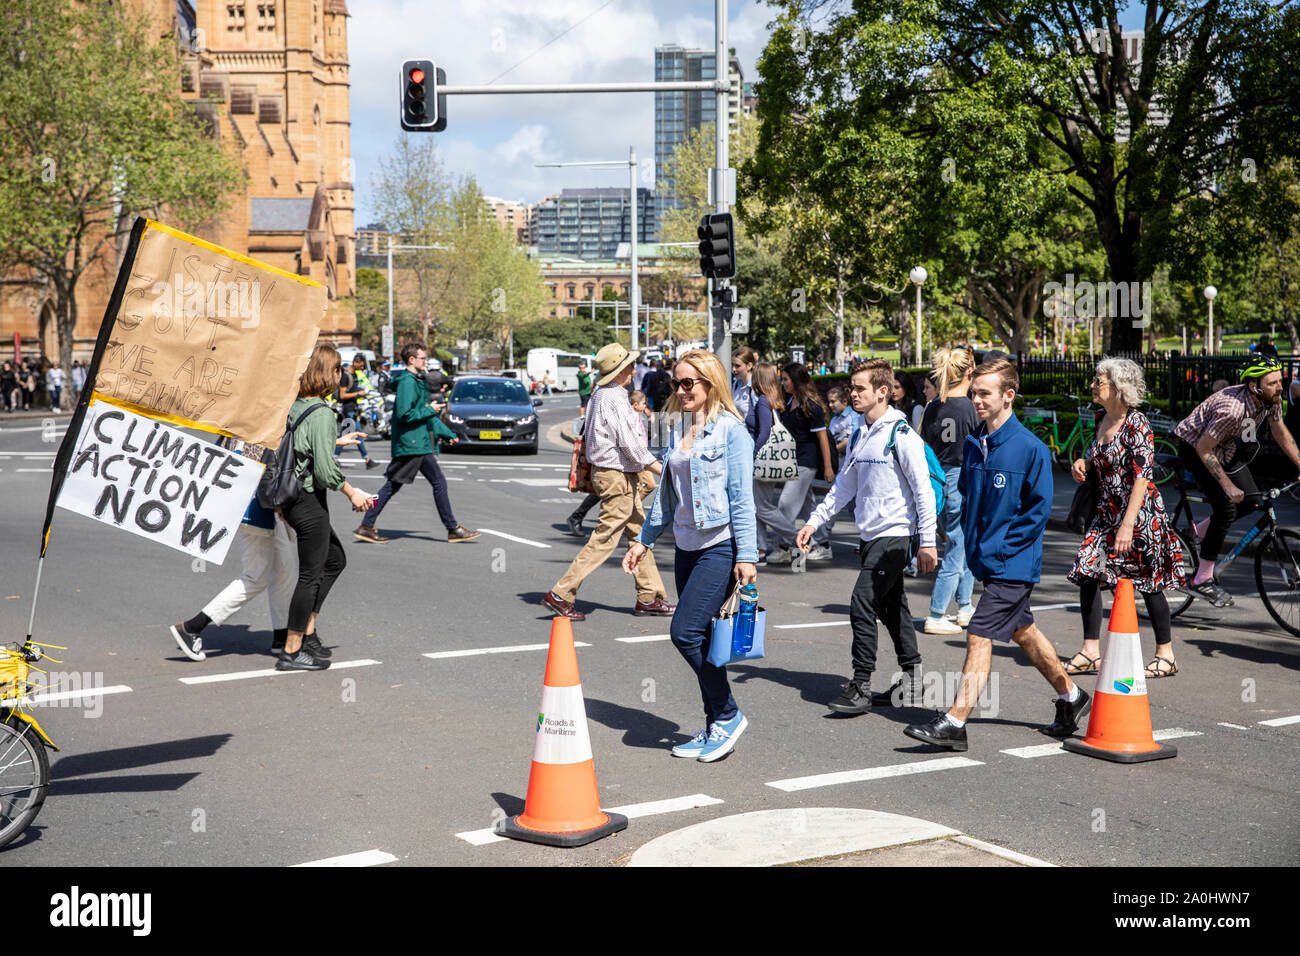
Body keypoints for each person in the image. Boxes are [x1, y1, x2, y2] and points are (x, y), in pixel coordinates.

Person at [904, 357, 1089, 750]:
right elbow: (971, 499)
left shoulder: (1030, 449)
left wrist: (1001, 549)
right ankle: (1071, 696)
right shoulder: (975, 444)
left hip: (1013, 563)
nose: (976, 400)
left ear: (1009, 396)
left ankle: (955, 721)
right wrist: (972, 543)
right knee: (1024, 632)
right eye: (974, 393)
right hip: (986, 561)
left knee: (979, 633)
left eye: (984, 393)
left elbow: (1036, 513)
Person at [625, 349, 757, 761]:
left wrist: (747, 555)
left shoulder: (732, 432)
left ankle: (730, 715)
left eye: (688, 383)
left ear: (710, 383)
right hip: (684, 548)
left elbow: (741, 499)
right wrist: (643, 540)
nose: (680, 390)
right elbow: (667, 495)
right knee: (699, 637)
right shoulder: (678, 427)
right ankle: (714, 723)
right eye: (676, 383)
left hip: (718, 548)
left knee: (684, 632)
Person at [795, 359, 938, 713]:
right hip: (870, 536)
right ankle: (913, 679)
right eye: (852, 388)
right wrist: (814, 522)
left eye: (859, 388)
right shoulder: (860, 432)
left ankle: (860, 684)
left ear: (882, 392)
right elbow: (844, 486)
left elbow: (923, 491)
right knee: (893, 609)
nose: (852, 393)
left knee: (862, 603)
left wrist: (929, 541)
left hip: (896, 536)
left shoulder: (901, 434)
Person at [1063, 359, 1186, 679]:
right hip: (1106, 513)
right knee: (1087, 570)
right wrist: (1084, 463)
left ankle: (1166, 654)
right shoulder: (1100, 418)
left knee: (1148, 581)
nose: (1093, 385)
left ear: (1119, 388)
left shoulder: (1137, 424)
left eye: (1099, 381)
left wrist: (1129, 525)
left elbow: (1143, 476)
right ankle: (1090, 651)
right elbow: (1099, 457)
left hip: (1140, 515)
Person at [543, 343, 674, 621]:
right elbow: (628, 442)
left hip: (614, 473)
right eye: (628, 365)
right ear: (618, 370)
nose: (632, 368)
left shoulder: (600, 394)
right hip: (615, 475)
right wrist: (658, 467)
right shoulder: (614, 396)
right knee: (605, 539)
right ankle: (561, 593)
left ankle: (649, 596)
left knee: (640, 533)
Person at [277, 344, 375, 671]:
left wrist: (334, 442)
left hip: (292, 499)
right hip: (307, 500)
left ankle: (308, 630)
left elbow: (302, 444)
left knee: (334, 560)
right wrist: (351, 492)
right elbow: (324, 471)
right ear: (328, 373)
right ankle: (292, 651)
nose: (340, 375)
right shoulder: (320, 412)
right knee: (310, 576)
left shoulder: (296, 405)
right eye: (337, 369)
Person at [1174, 355, 1300, 605]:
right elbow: (1204, 449)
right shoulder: (1233, 410)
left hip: (1225, 448)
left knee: (1252, 501)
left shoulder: (1269, 399)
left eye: (1280, 380)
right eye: (1273, 382)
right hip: (1195, 448)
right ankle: (1202, 580)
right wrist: (1228, 485)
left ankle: (1196, 533)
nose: (1280, 387)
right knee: (1225, 508)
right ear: (1255, 387)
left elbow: (1280, 432)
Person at [355, 344, 480, 545]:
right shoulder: (407, 382)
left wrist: (447, 433)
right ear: (411, 360)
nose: (425, 361)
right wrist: (430, 409)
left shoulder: (415, 381)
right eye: (422, 358)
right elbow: (405, 414)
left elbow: (425, 416)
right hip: (412, 443)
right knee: (436, 483)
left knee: (392, 486)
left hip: (416, 442)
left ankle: (367, 525)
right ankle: (452, 528)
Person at [920, 347, 979, 635]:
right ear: (970, 372)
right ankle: (936, 612)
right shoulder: (970, 408)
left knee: (961, 543)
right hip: (961, 478)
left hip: (936, 479)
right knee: (957, 548)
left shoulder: (934, 406)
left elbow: (925, 445)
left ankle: (965, 606)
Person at [753, 363, 833, 570]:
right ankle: (818, 543)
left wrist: (828, 468)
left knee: (786, 505)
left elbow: (822, 438)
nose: (782, 383)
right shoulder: (789, 402)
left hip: (806, 462)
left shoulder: (810, 406)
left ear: (796, 381)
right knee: (808, 506)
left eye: (786, 379)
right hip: (792, 461)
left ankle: (787, 546)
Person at [568, 390, 656, 535]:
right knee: (604, 491)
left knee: (644, 486)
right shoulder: (607, 395)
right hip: (622, 455)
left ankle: (623, 512)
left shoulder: (627, 400)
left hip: (636, 456)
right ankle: (579, 516)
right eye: (643, 403)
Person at [335, 354, 379, 470]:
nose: (362, 368)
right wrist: (359, 394)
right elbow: (342, 395)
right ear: (356, 362)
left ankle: (335, 458)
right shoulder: (345, 376)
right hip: (348, 409)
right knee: (357, 434)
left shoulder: (354, 375)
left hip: (353, 409)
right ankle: (367, 459)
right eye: (361, 365)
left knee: (346, 434)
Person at [731, 347, 757, 421]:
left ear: (749, 366)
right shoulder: (735, 385)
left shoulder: (756, 387)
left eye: (737, 366)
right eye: (732, 365)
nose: (733, 369)